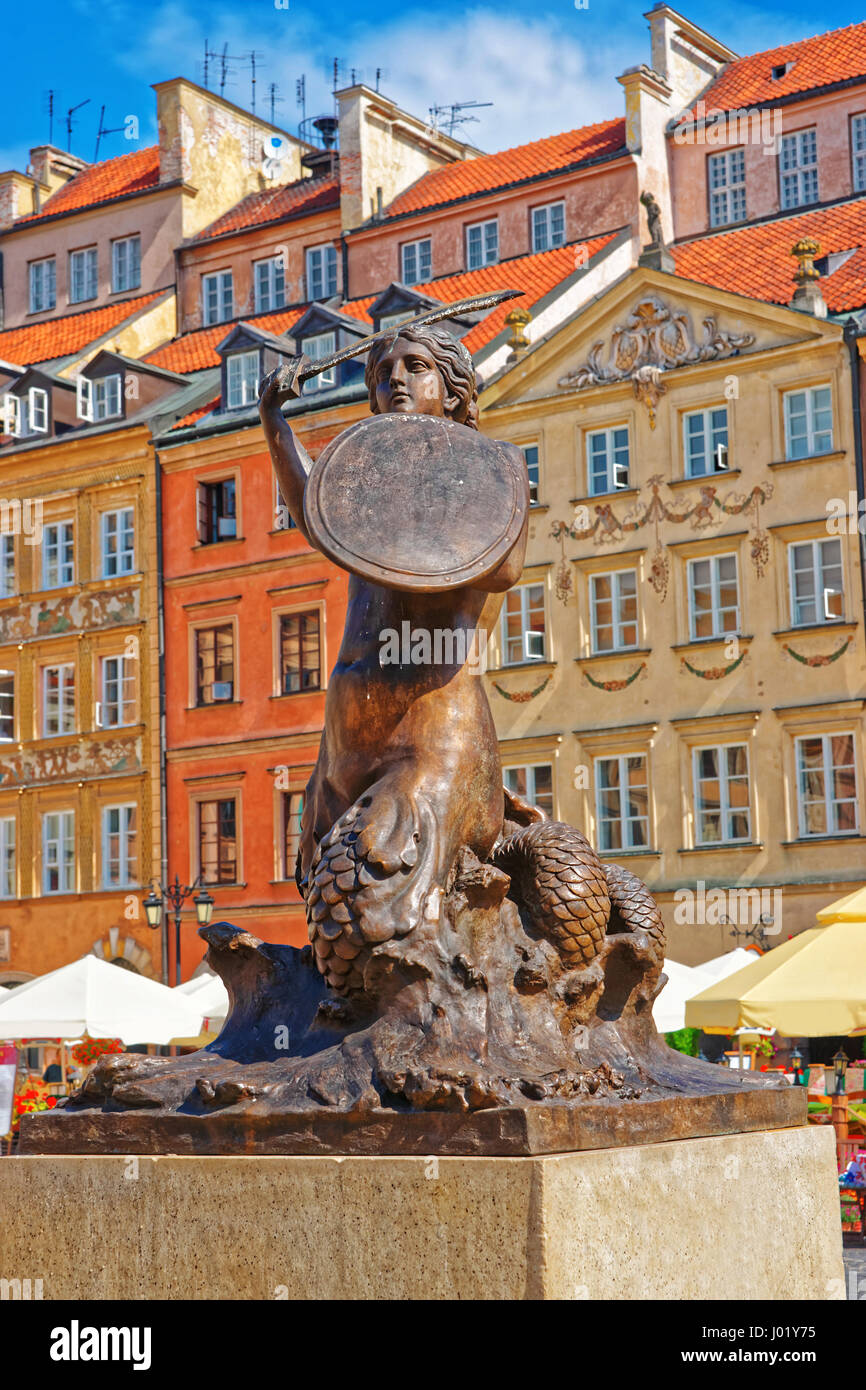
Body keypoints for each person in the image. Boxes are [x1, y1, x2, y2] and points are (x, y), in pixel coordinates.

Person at [258, 326, 529, 993]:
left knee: (382, 884)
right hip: (350, 721)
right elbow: (312, 512)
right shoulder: (366, 482)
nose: (395, 380)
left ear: (455, 389)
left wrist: (420, 501)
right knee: (324, 881)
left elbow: (500, 568)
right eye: (381, 372)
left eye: (416, 366)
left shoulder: (495, 469)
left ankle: (418, 1018)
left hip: (432, 716)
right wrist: (274, 423)